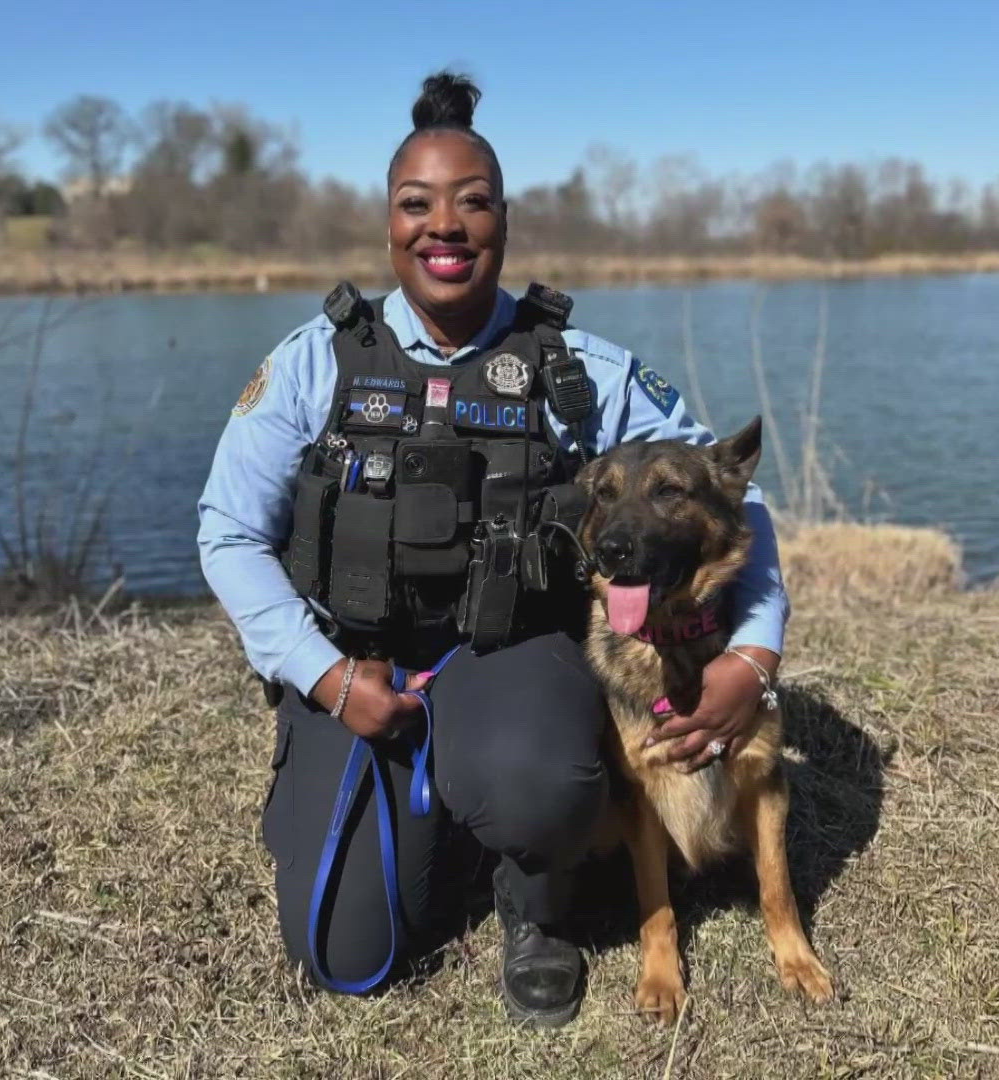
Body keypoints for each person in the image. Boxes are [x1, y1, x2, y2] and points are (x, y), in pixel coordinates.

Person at [196, 72, 789, 1027]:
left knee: (543, 785)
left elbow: (730, 494)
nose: (445, 226)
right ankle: (445, 814)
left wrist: (753, 656)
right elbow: (227, 531)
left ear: (504, 221)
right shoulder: (314, 361)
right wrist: (325, 677)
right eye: (416, 204)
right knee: (345, 951)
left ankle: (533, 898)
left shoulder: (581, 370)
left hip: (513, 657)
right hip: (355, 667)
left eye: (472, 203)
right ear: (389, 222)